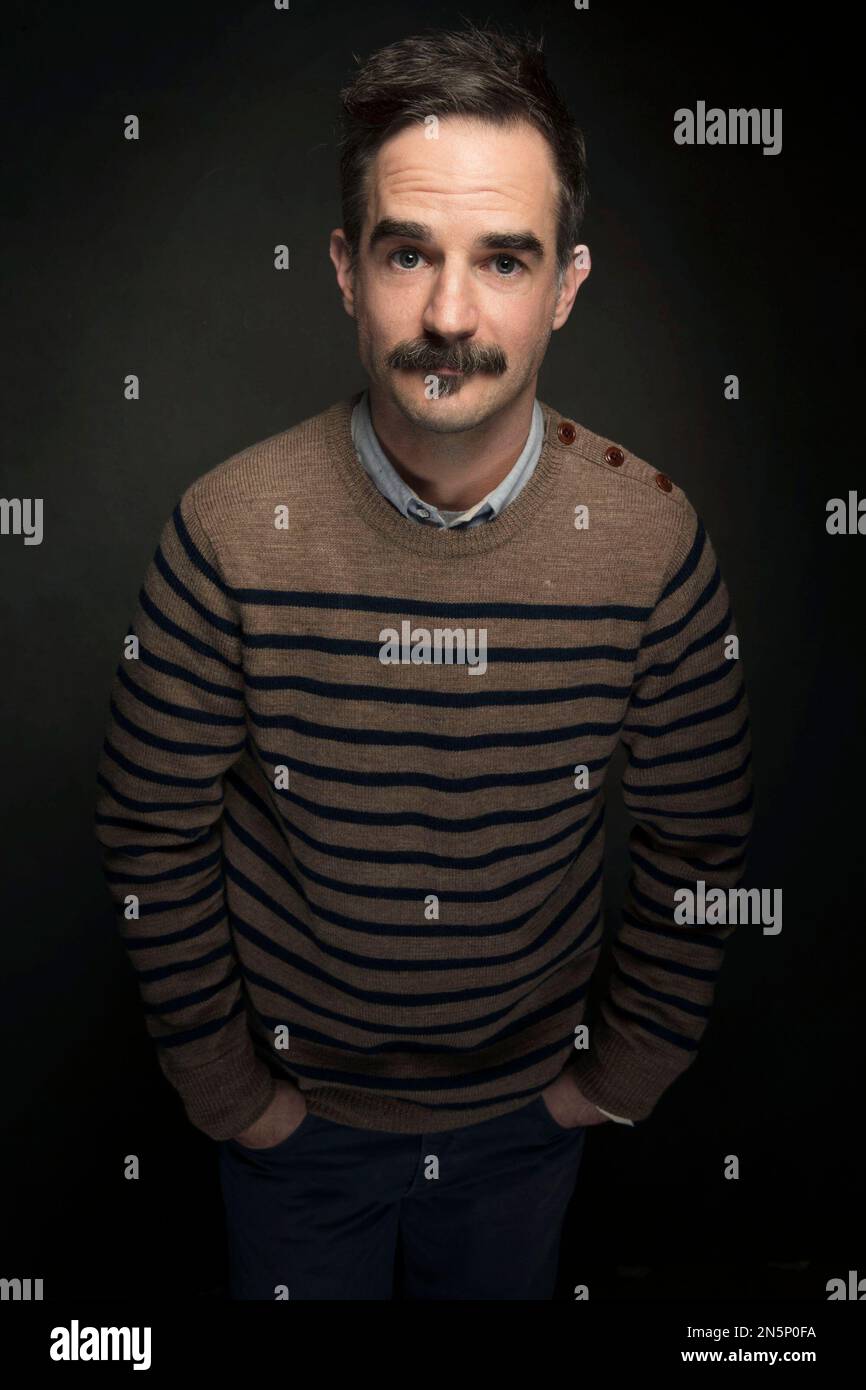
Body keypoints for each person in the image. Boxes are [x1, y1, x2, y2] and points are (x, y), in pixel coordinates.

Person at [94, 21, 754, 1300]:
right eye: (409, 252)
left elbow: (700, 843)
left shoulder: (652, 540)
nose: (449, 314)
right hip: (295, 1132)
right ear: (347, 270)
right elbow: (147, 830)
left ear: (563, 284)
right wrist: (233, 1096)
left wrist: (613, 1081)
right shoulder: (228, 529)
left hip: (525, 1129)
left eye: (500, 259)